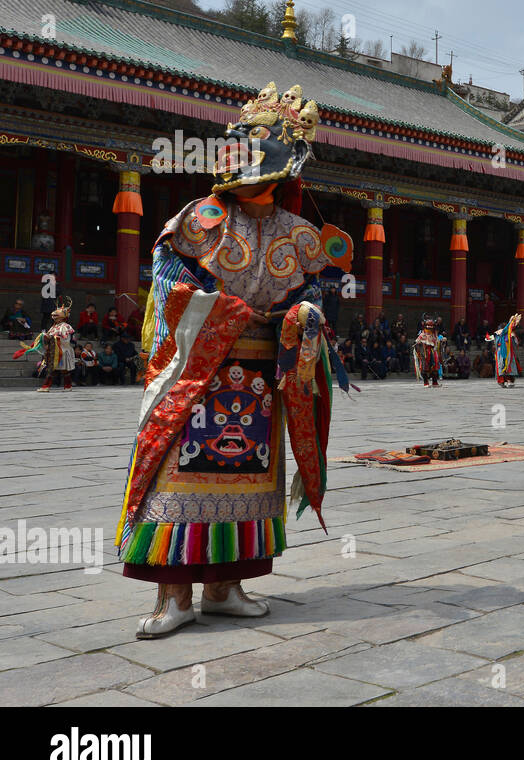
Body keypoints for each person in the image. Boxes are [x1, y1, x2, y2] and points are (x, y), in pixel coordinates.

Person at [115, 80, 352, 640]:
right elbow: (169, 281)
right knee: (180, 479)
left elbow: (311, 294)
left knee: (248, 478)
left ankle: (226, 587)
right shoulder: (202, 219)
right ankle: (173, 594)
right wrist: (222, 310)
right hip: (199, 370)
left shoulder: (298, 233)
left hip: (262, 378)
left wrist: (306, 315)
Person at [24, 298, 76, 392]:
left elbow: (66, 340)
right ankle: (48, 386)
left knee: (62, 370)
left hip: (62, 351)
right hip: (53, 351)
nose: (55, 318)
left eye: (57, 317)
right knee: (52, 369)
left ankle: (65, 386)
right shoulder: (53, 327)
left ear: (62, 317)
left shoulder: (65, 326)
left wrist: (51, 338)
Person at [489, 313, 522, 387]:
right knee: (504, 366)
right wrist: (512, 322)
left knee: (506, 366)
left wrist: (512, 322)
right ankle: (505, 381)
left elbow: (514, 343)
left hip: (506, 352)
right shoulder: (501, 333)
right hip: (503, 352)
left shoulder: (507, 333)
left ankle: (506, 381)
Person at [413, 318, 441, 387]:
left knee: (435, 367)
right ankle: (426, 382)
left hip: (433, 351)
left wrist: (442, 339)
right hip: (425, 352)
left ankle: (435, 382)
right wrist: (418, 344)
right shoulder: (423, 334)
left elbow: (437, 340)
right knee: (425, 367)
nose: (430, 329)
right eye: (429, 326)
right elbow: (416, 342)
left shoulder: (434, 334)